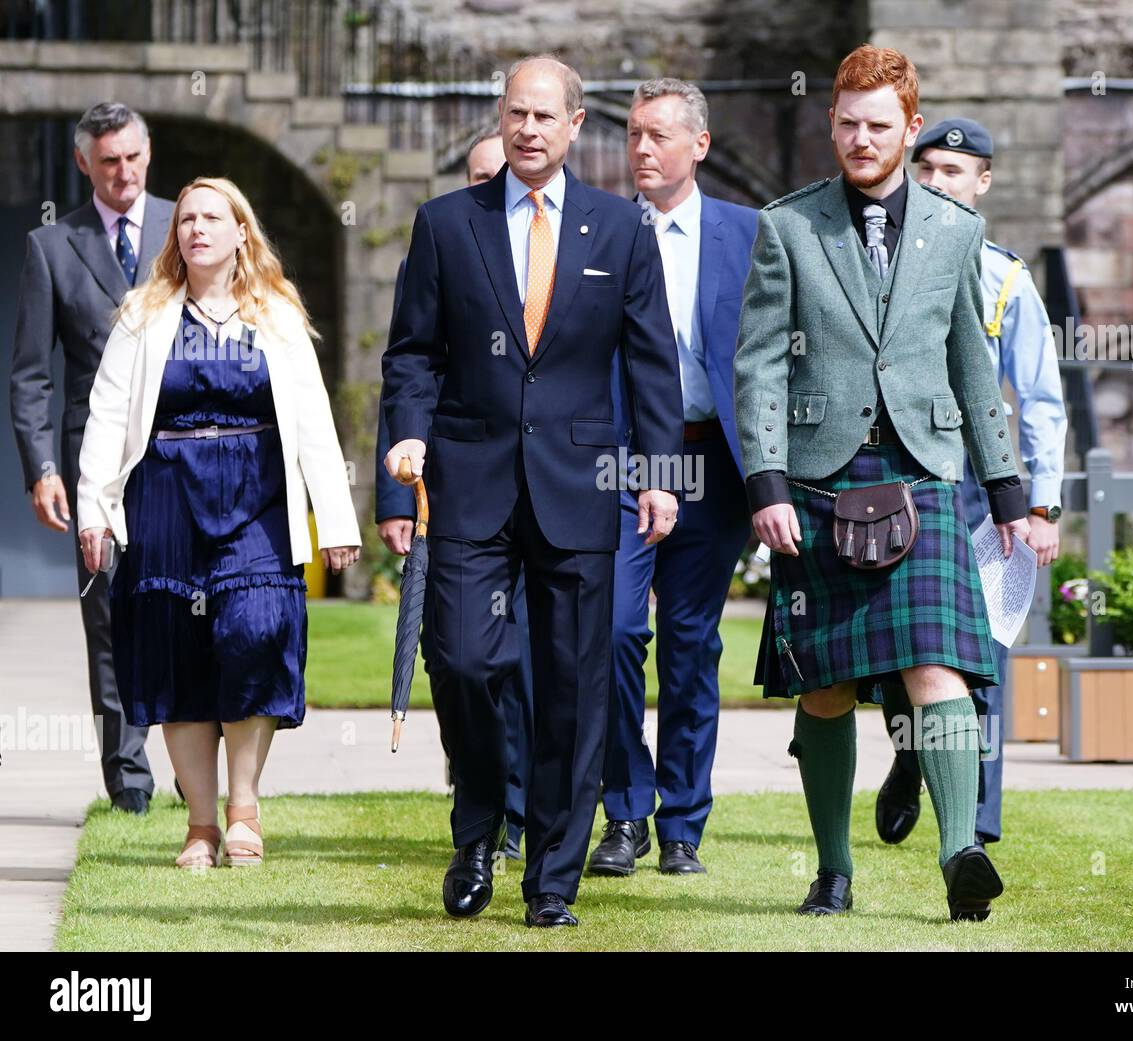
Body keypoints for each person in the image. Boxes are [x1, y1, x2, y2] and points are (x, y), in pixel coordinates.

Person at [381, 54, 683, 927]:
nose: (528, 129)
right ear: (502, 118)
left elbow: (653, 361)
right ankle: (479, 823)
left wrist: (659, 474)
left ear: (577, 126)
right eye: (516, 113)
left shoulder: (620, 231)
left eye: (546, 116)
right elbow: (411, 354)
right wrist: (407, 430)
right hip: (469, 478)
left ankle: (552, 878)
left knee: (574, 687)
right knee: (465, 658)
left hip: (582, 484)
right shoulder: (446, 224)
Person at [733, 45, 1030, 922]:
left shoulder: (955, 228)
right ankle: (833, 870)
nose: (861, 140)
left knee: (939, 669)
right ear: (830, 121)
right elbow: (757, 369)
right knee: (824, 686)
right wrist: (767, 481)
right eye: (847, 123)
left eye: (879, 125)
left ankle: (958, 852)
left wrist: (1008, 487)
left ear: (910, 125)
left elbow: (972, 367)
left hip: (925, 470)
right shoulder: (789, 226)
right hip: (819, 477)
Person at [76, 176, 362, 868]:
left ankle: (244, 806)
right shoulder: (143, 313)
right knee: (176, 649)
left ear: (242, 232)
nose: (197, 228)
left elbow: (315, 421)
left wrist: (338, 517)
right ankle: (201, 824)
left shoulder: (277, 314)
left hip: (257, 495)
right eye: (187, 220)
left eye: (213, 217)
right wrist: (94, 507)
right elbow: (108, 413)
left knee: (255, 630)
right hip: (165, 497)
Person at [873, 117, 1068, 851]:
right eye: (925, 169)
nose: (936, 182)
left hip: (984, 497)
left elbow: (1042, 401)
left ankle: (977, 824)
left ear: (982, 182)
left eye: (953, 171)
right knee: (900, 647)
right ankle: (909, 754)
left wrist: (1042, 501)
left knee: (984, 650)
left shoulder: (1006, 279)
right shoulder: (878, 266)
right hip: (898, 482)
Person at [587, 79, 756, 878]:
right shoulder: (602, 230)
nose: (643, 150)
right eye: (634, 136)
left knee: (691, 643)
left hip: (712, 461)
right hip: (621, 460)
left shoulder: (748, 235)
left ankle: (684, 820)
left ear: (700, 145)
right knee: (617, 631)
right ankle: (626, 810)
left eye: (659, 135)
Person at [374, 130, 535, 861]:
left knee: (535, 658)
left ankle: (526, 812)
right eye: (478, 175)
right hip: (456, 490)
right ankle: (481, 791)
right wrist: (395, 496)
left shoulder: (562, 247)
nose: (492, 183)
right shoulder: (437, 245)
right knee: (460, 656)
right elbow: (407, 372)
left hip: (554, 489)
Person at [9, 102, 172, 814]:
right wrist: (43, 466)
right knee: (107, 615)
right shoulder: (52, 247)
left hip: (184, 457)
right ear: (84, 164)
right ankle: (130, 780)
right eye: (108, 161)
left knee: (187, 613)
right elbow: (29, 374)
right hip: (92, 467)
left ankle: (203, 768)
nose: (123, 173)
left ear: (147, 152)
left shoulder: (186, 225)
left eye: (133, 158)